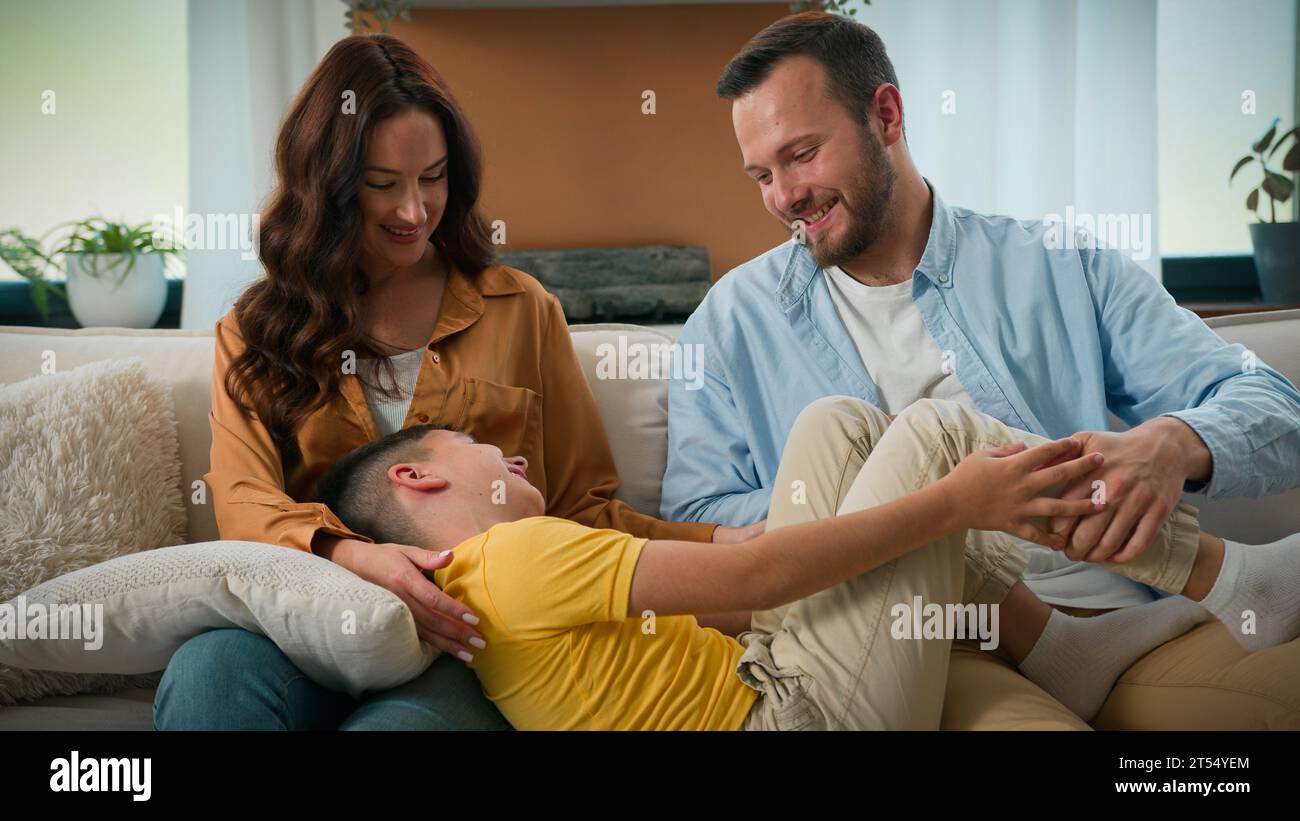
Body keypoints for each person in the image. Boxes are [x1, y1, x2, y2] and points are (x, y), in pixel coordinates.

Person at [661, 12, 1300, 729]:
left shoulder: (1059, 264)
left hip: (1117, 618)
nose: (782, 196)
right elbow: (696, 523)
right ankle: (1228, 573)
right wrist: (903, 501)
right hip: (914, 639)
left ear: (888, 115)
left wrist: (1172, 444)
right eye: (761, 175)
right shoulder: (731, 323)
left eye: (802, 154)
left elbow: (1274, 406)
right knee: (925, 443)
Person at [153, 33, 756, 731]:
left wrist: (722, 543)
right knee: (207, 676)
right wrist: (362, 558)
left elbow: (582, 514)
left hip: (462, 644)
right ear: (325, 183)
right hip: (304, 627)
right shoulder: (255, 330)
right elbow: (245, 504)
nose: (413, 211)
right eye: (382, 184)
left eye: (433, 178)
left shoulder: (521, 309)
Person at [313, 398, 1300, 730]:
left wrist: (906, 537)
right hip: (798, 717)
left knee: (831, 421)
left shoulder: (492, 580)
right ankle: (1223, 574)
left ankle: (1051, 647)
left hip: (776, 681)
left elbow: (729, 611)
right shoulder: (515, 553)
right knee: (936, 430)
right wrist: (953, 506)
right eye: (485, 450)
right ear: (416, 475)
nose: (516, 458)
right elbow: (751, 586)